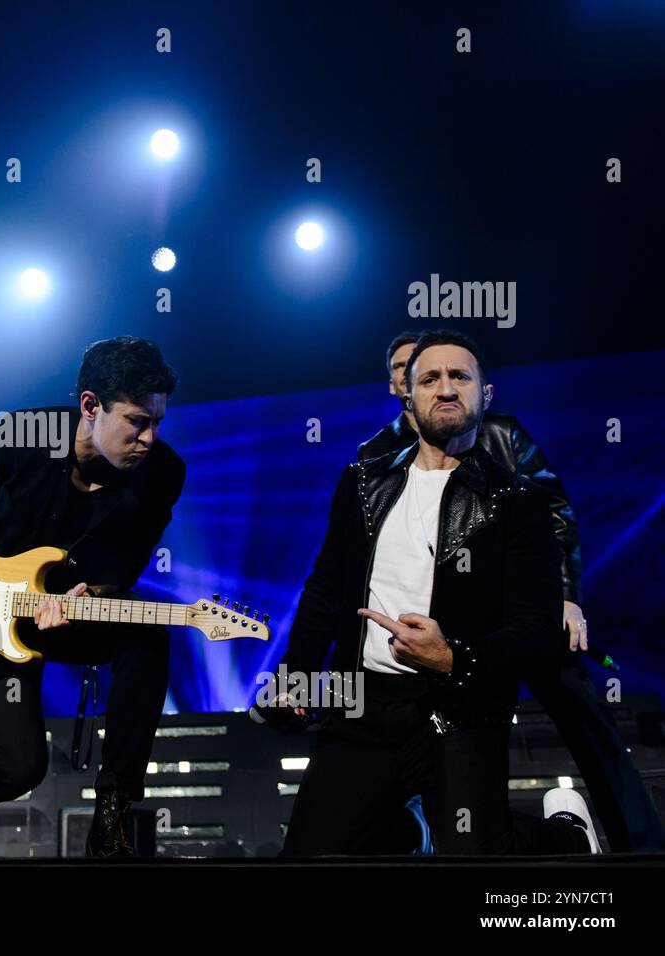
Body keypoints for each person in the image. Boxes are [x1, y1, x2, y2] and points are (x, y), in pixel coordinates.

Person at [264, 329, 594, 854]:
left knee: (477, 854)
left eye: (460, 377)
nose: (445, 388)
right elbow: (325, 589)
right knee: (310, 857)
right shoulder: (361, 484)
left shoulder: (518, 502)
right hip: (363, 710)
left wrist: (452, 658)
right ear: (408, 395)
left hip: (460, 709)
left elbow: (533, 628)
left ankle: (566, 839)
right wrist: (294, 676)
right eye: (430, 378)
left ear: (486, 394)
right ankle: (406, 835)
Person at [358, 333, 664, 852]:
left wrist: (564, 596)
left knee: (585, 718)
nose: (435, 381)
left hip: (524, 613)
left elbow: (554, 512)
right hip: (441, 631)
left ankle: (642, 846)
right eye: (410, 369)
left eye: (447, 372)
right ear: (397, 385)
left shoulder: (500, 433)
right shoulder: (376, 456)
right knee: (447, 760)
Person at [0, 336, 186, 859]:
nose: (149, 437)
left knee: (146, 633)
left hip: (62, 608)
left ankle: (111, 815)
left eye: (157, 421)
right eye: (137, 420)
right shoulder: (24, 433)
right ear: (90, 406)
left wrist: (87, 595)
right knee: (18, 767)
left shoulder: (163, 475)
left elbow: (120, 571)